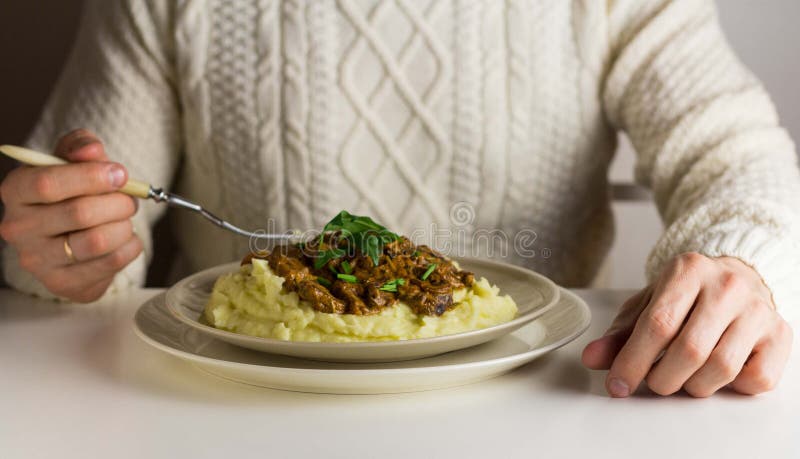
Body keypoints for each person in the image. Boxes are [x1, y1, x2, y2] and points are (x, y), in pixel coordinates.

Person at [0, 0, 797, 398]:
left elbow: (736, 154)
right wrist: (59, 248)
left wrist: (743, 263)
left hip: (537, 398)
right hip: (234, 404)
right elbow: (79, 227)